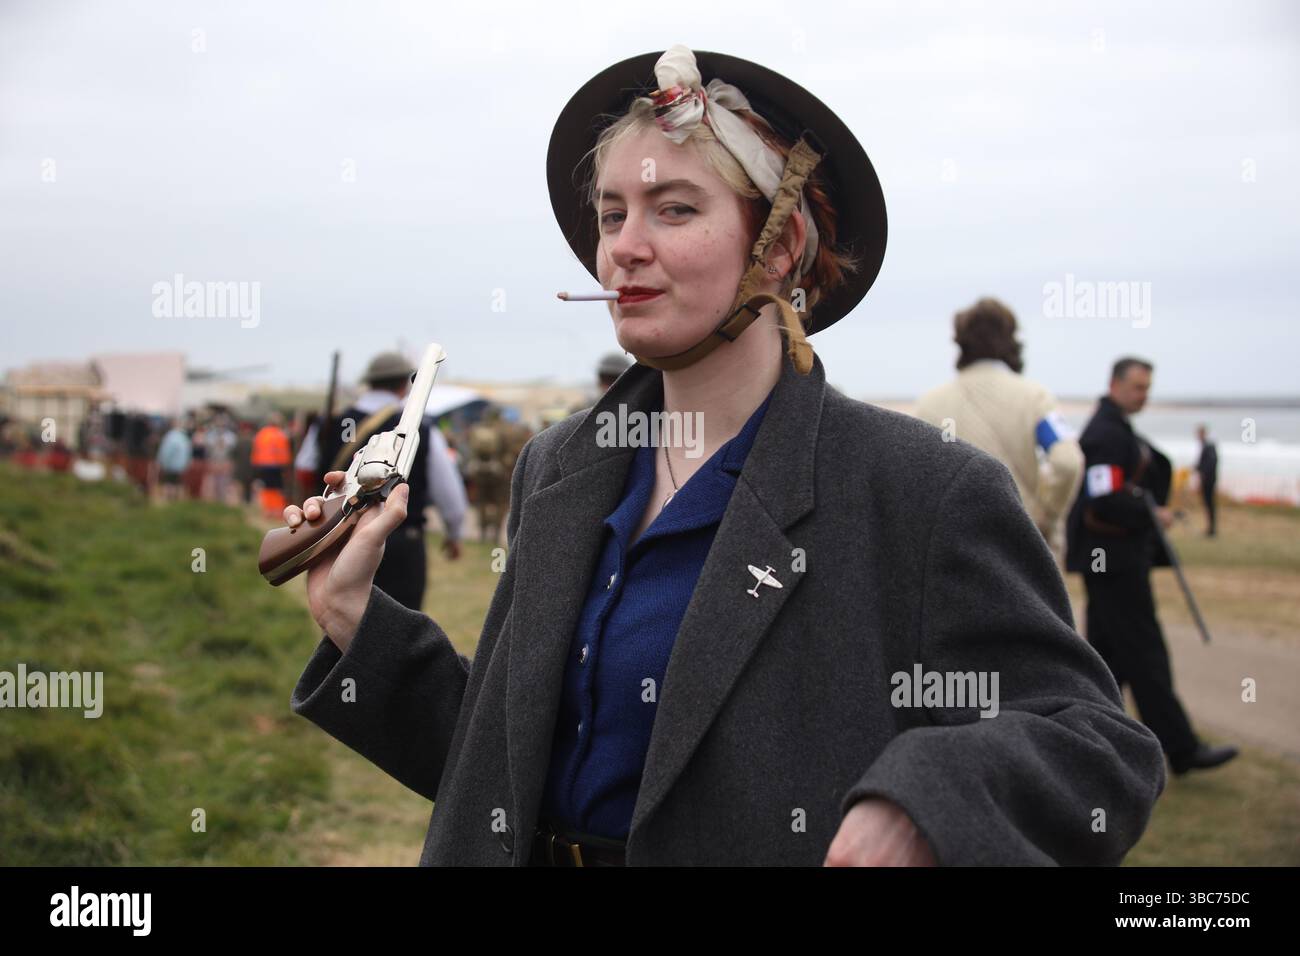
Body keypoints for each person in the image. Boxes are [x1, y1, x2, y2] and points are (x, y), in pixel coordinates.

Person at [281, 45, 1163, 866]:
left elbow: (1096, 744)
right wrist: (362, 623)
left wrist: (923, 800)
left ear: (779, 248)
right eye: (613, 213)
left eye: (674, 209)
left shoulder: (920, 488)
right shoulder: (558, 468)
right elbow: (505, 777)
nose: (625, 244)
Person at [1066, 358, 1238, 776]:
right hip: (1114, 562)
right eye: (1138, 387)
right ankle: (1180, 748)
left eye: (1148, 388)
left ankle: (1095, 743)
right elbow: (1103, 501)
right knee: (1145, 654)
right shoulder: (1106, 433)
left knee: (1106, 660)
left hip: (1111, 561)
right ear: (1115, 384)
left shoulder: (1113, 427)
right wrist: (1151, 513)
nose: (1144, 395)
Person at [915, 297, 1083, 560]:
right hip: (1021, 540)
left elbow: (919, 477)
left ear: (960, 343)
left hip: (952, 546)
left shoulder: (929, 404)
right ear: (1012, 339)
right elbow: (1067, 462)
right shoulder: (1036, 398)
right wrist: (1048, 515)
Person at [307, 352, 468, 611]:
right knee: (401, 638)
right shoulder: (421, 429)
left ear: (370, 382)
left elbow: (306, 468)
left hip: (339, 536)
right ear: (404, 384)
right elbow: (449, 493)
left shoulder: (333, 423)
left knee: (340, 634)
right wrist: (454, 533)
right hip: (401, 542)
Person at [251, 413, 292, 517]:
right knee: (277, 488)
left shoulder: (261, 434)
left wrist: (255, 463)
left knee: (266, 487)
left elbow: (256, 450)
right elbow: (284, 453)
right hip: (277, 466)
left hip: (262, 465)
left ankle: (268, 510)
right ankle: (278, 510)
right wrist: (286, 465)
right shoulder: (281, 435)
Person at [156, 420, 190, 502]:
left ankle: (168, 499)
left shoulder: (170, 436)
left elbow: (166, 451)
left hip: (170, 465)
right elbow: (188, 452)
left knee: (168, 482)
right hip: (181, 466)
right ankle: (175, 499)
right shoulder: (184, 437)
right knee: (177, 482)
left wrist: (161, 462)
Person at [1195, 424, 1218, 536]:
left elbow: (1210, 463)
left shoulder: (1209, 446)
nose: (1198, 436)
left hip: (1209, 480)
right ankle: (1210, 528)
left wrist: (1202, 473)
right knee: (1207, 504)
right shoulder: (1205, 446)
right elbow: (1203, 463)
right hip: (1207, 479)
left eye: (1199, 433)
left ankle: (1212, 529)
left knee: (1210, 504)